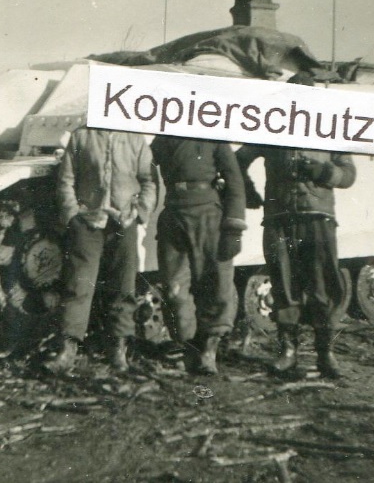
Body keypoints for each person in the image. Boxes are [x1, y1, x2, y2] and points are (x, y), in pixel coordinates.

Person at [235, 70, 357, 379]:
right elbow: (239, 160)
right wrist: (248, 191)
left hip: (318, 218)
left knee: (321, 286)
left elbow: (349, 174)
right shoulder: (270, 127)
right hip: (279, 219)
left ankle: (324, 353)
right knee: (284, 284)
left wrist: (323, 171)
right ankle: (288, 351)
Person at [43, 126, 158, 374]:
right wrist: (73, 214)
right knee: (78, 285)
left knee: (123, 285)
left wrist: (138, 212)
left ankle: (118, 351)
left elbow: (149, 181)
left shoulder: (135, 137)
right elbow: (66, 179)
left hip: (122, 224)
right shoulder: (81, 136)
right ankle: (67, 351)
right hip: (88, 222)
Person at [150, 136, 247, 375]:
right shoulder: (164, 138)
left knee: (214, 283)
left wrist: (234, 229)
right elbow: (144, 164)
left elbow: (235, 180)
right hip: (173, 214)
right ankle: (186, 344)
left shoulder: (215, 137)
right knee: (174, 287)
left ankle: (208, 351)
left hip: (208, 215)